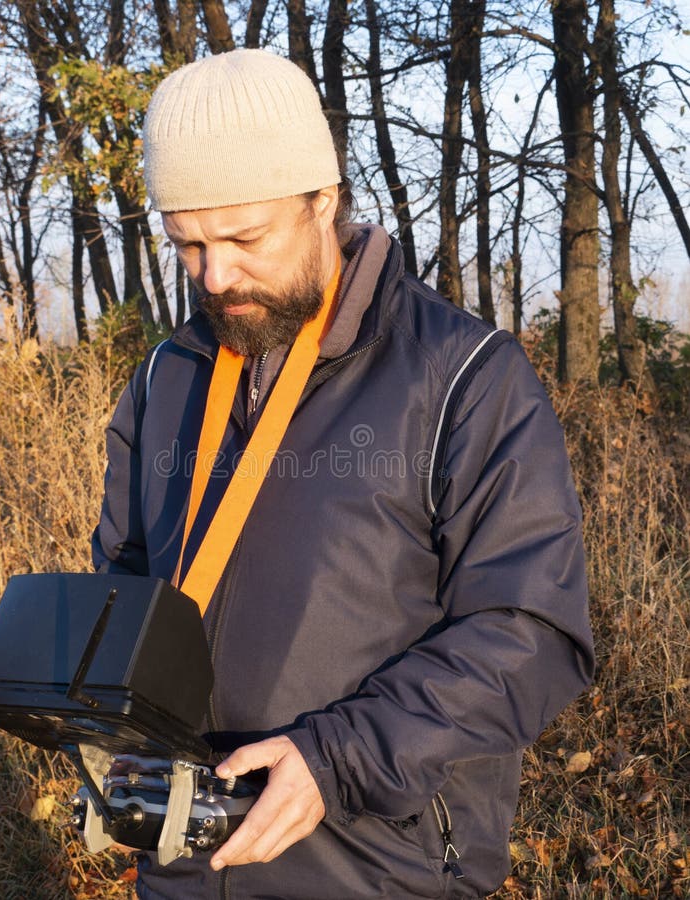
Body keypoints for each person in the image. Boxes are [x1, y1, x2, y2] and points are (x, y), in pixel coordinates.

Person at [92, 49, 595, 900]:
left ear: (322, 199)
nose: (215, 277)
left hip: (374, 862)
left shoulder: (464, 373)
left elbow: (531, 629)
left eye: (245, 239)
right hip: (183, 858)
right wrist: (97, 714)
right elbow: (126, 576)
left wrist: (337, 758)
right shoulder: (164, 375)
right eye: (188, 246)